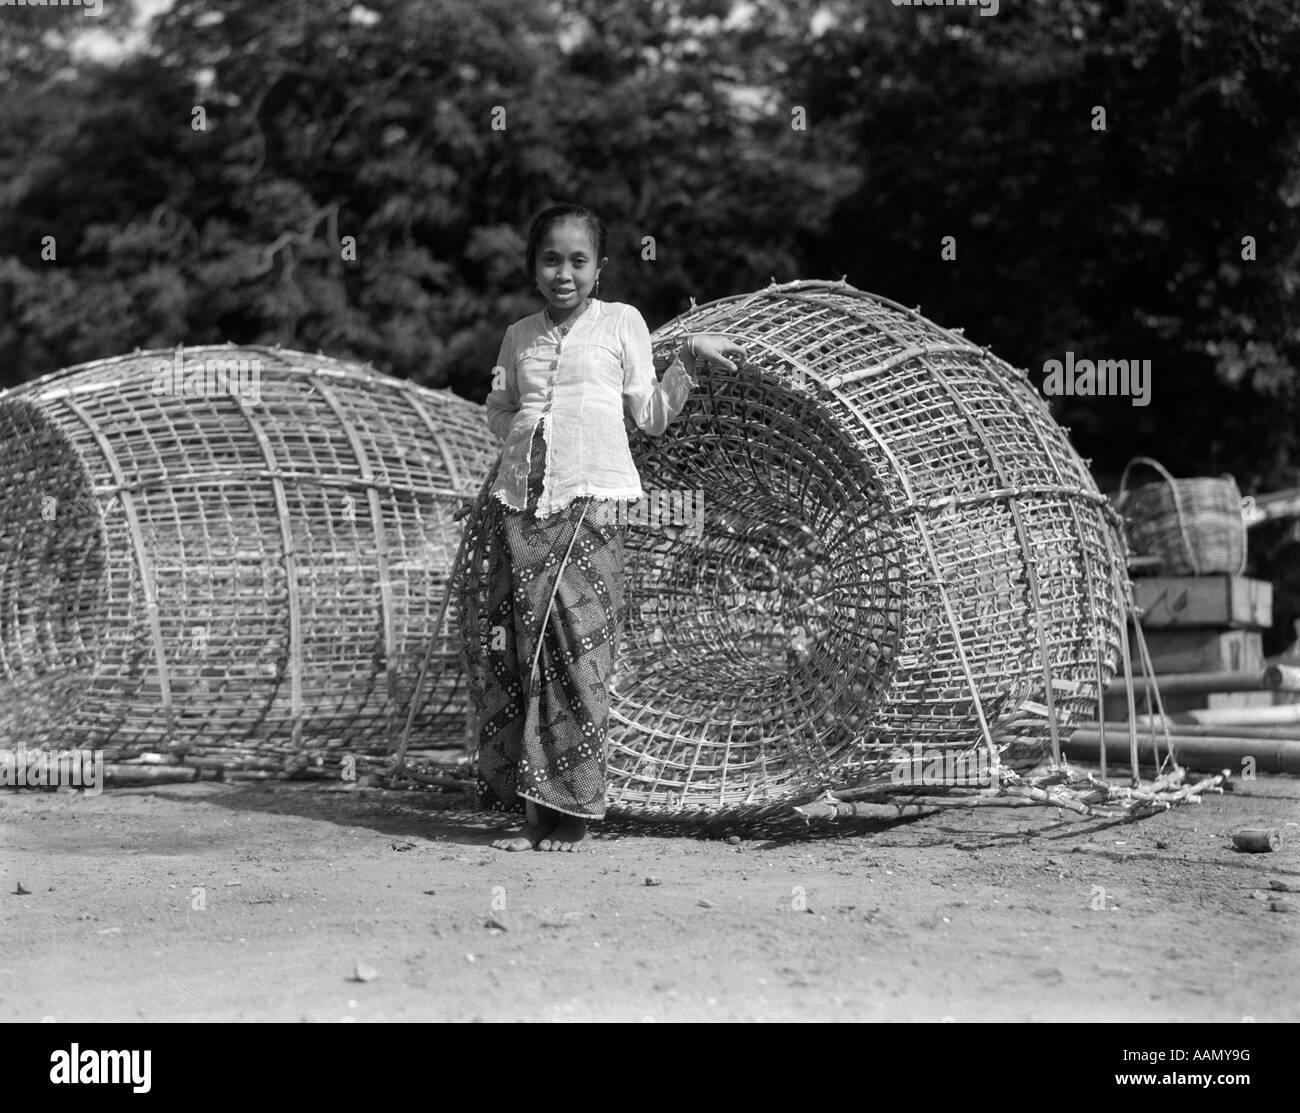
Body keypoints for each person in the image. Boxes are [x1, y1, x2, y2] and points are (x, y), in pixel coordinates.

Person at [460, 203, 744, 852]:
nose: (564, 272)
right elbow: (497, 407)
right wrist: (525, 433)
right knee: (522, 654)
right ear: (534, 268)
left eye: (578, 260)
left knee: (581, 652)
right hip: (524, 510)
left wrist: (690, 362)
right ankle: (533, 798)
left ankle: (577, 806)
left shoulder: (623, 324)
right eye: (551, 259)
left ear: (600, 268)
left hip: (595, 506)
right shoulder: (517, 336)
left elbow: (650, 415)